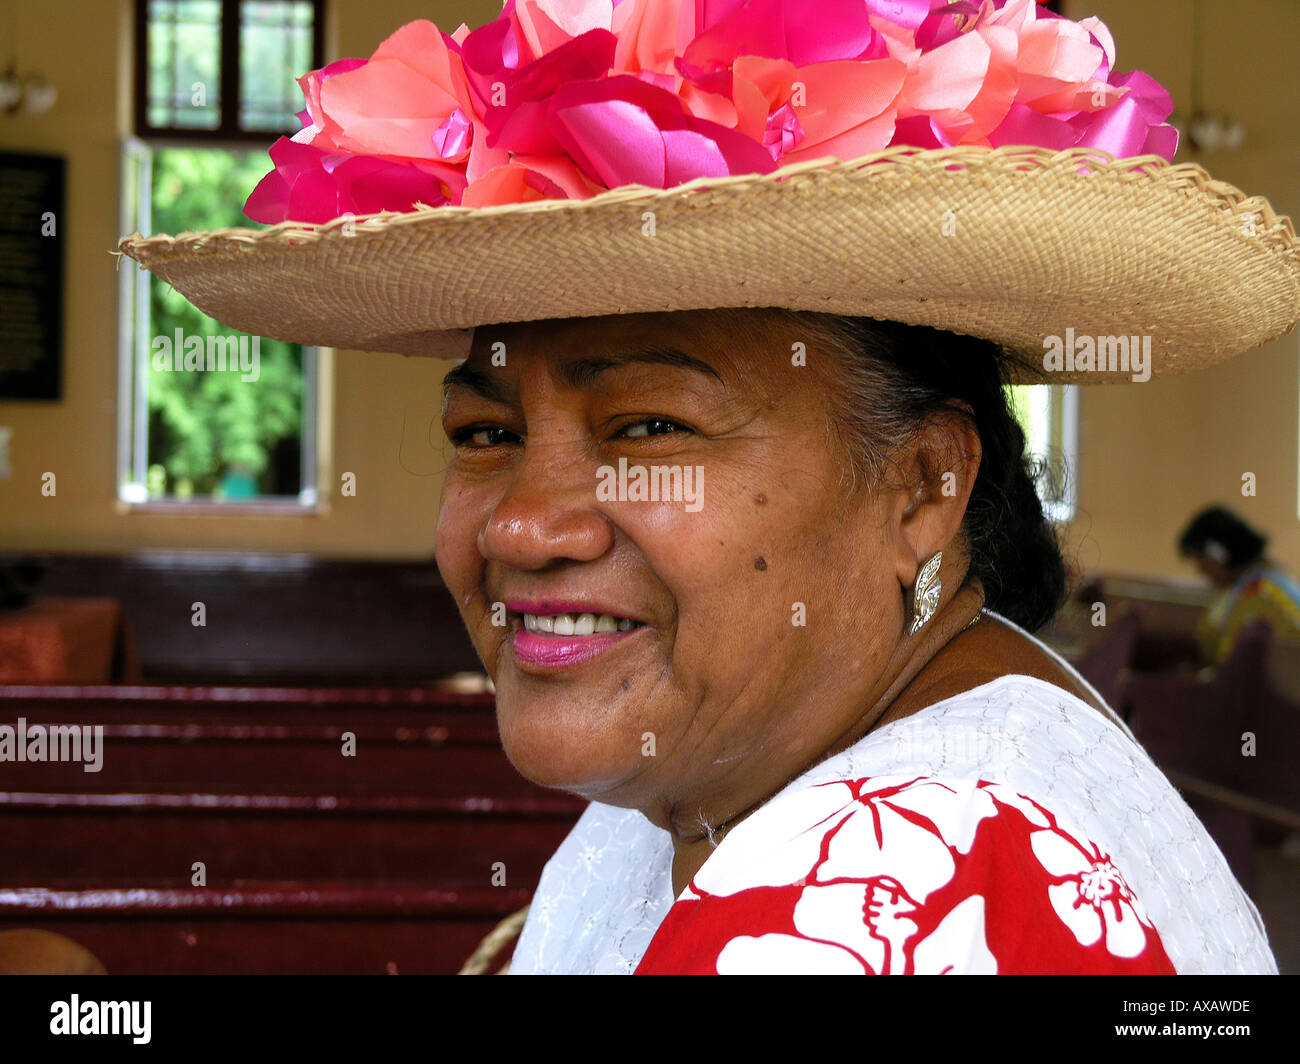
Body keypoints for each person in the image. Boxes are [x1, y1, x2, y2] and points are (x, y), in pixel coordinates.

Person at [119, 0, 1299, 974]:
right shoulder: (857, 759)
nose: (524, 523)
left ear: (923, 485)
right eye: (484, 433)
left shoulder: (876, 897)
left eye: (646, 424)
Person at [1178, 506, 1300, 666]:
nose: (1200, 571)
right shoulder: (1243, 589)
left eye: (1201, 560)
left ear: (1219, 554)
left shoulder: (1263, 593)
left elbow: (1238, 664)